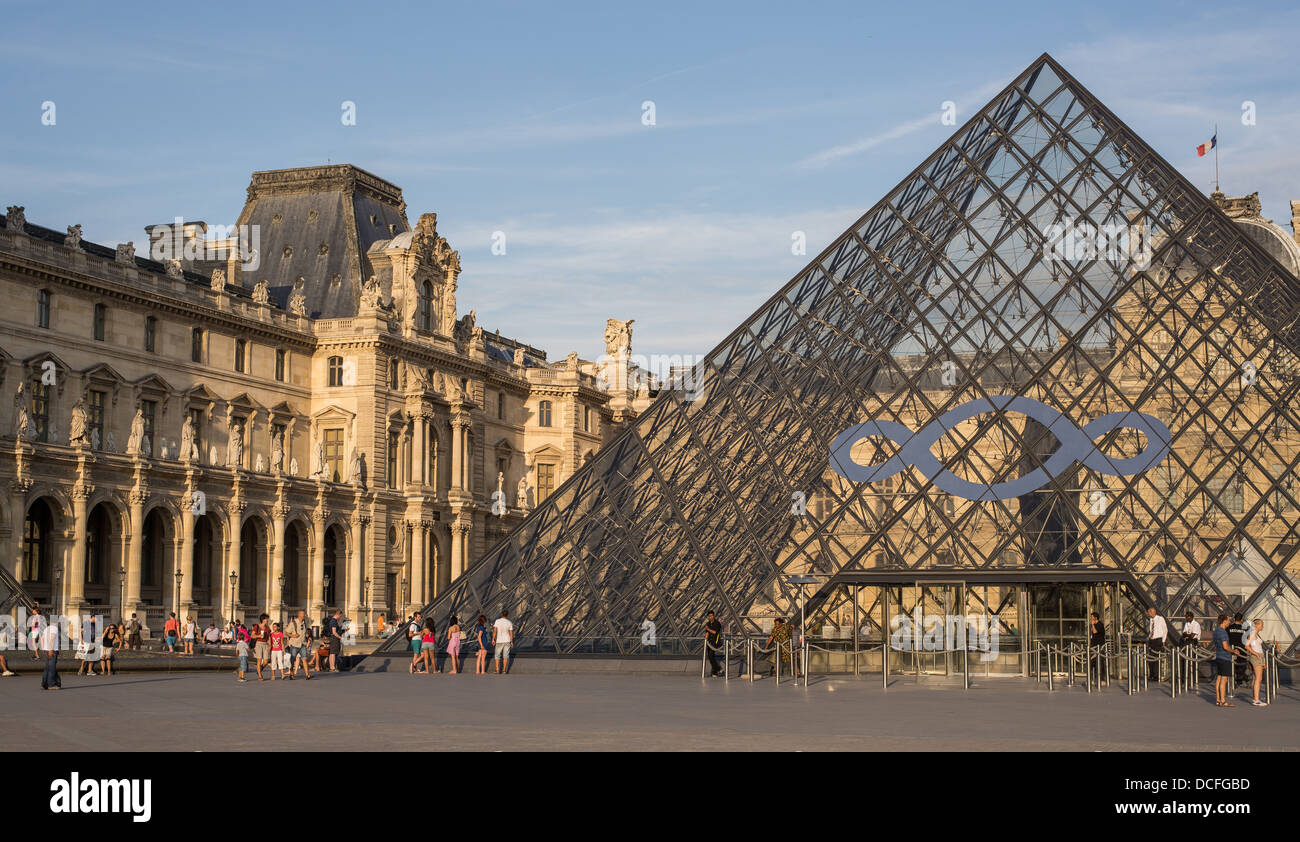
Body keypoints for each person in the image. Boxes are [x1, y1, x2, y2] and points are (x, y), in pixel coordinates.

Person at [1245, 619, 1269, 706]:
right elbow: (1247, 646)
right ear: (1256, 625)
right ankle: (1256, 699)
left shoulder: (1255, 634)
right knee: (1259, 679)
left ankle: (1256, 696)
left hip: (1259, 656)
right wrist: (1256, 654)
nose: (1263, 626)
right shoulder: (1252, 633)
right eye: (1261, 624)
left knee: (1256, 678)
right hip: (1256, 656)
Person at [1212, 613, 1234, 707]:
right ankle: (1223, 700)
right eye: (1228, 620)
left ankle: (1218, 700)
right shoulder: (1223, 632)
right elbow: (1226, 646)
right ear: (1224, 621)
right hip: (1225, 658)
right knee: (1224, 680)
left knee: (1219, 678)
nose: (1229, 622)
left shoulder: (1216, 631)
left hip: (1218, 656)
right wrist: (1233, 651)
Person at [287, 609, 313, 680]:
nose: (304, 615)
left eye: (304, 614)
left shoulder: (305, 623)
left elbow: (304, 632)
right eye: (302, 614)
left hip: (303, 644)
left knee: (304, 659)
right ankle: (291, 674)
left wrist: (306, 635)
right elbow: (287, 632)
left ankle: (307, 675)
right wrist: (293, 636)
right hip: (295, 644)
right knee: (292, 660)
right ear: (299, 615)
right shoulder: (293, 623)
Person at [40, 615, 61, 690]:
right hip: (52, 651)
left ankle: (44, 683)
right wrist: (51, 649)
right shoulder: (54, 628)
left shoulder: (47, 628)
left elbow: (41, 638)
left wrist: (43, 648)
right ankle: (51, 684)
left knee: (47, 668)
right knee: (52, 668)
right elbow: (52, 639)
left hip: (46, 650)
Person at [492, 609, 514, 674]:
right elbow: (511, 633)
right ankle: (504, 670)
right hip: (507, 640)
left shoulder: (497, 621)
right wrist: (511, 641)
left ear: (502, 614)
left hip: (499, 640)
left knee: (497, 655)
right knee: (505, 656)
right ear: (507, 615)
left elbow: (494, 631)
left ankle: (497, 669)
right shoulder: (509, 622)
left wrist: (493, 639)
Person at [251, 614, 271, 681]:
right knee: (259, 660)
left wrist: (270, 645)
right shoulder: (257, 626)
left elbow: (269, 637)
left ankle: (259, 670)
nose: (268, 620)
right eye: (266, 619)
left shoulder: (268, 628)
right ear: (263, 619)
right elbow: (252, 636)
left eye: (268, 619)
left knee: (266, 661)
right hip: (258, 643)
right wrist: (258, 636)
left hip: (265, 644)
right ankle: (260, 674)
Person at [704, 611, 724, 677]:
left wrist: (708, 629)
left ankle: (718, 669)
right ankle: (715, 672)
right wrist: (706, 637)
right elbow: (707, 633)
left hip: (715, 642)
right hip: (709, 642)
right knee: (711, 656)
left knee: (711, 655)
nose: (710, 617)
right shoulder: (708, 624)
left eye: (712, 615)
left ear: (714, 616)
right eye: (709, 616)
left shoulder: (717, 623)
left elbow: (715, 632)